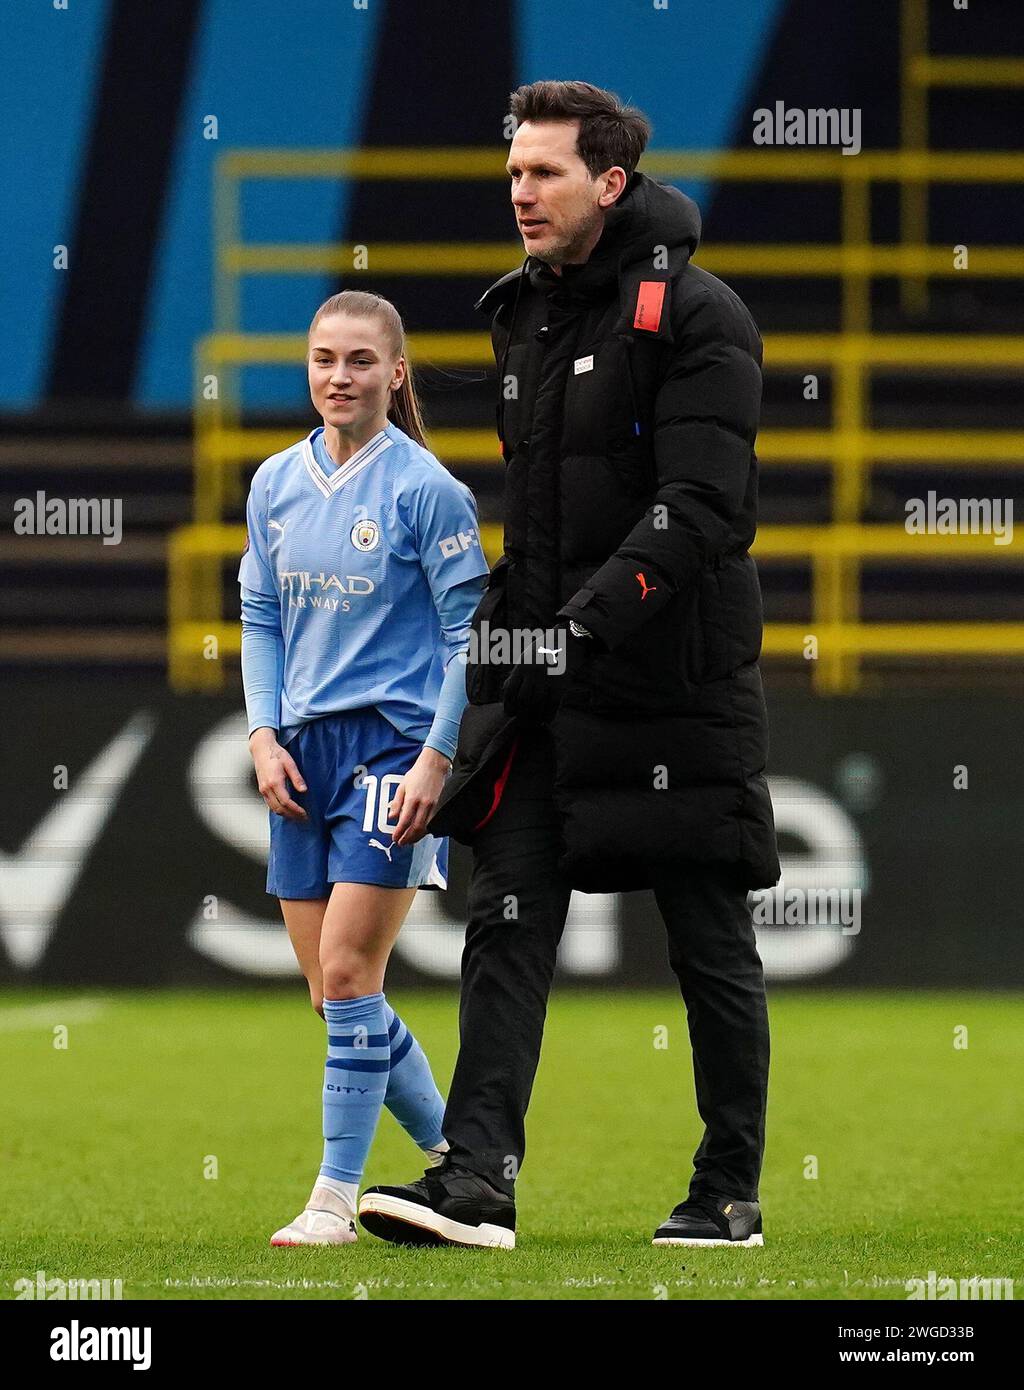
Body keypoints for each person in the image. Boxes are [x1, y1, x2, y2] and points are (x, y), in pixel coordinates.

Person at [358, 81, 780, 1251]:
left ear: (609, 181)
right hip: (545, 680)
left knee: (708, 940)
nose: (518, 194)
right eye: (510, 175)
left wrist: (575, 634)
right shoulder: (521, 318)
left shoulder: (701, 316)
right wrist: (470, 715)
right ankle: (476, 1173)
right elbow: (528, 543)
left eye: (541, 174)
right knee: (504, 915)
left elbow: (700, 510)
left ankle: (727, 1189)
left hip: (675, 685)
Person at [239, 289, 490, 1245]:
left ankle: (333, 1200)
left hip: (391, 745)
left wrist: (437, 756)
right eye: (322, 360)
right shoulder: (274, 483)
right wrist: (263, 734)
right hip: (300, 753)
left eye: (357, 361)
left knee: (348, 973)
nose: (337, 377)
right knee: (334, 993)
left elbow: (472, 634)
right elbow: (261, 616)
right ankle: (461, 1159)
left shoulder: (427, 490)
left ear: (396, 374)